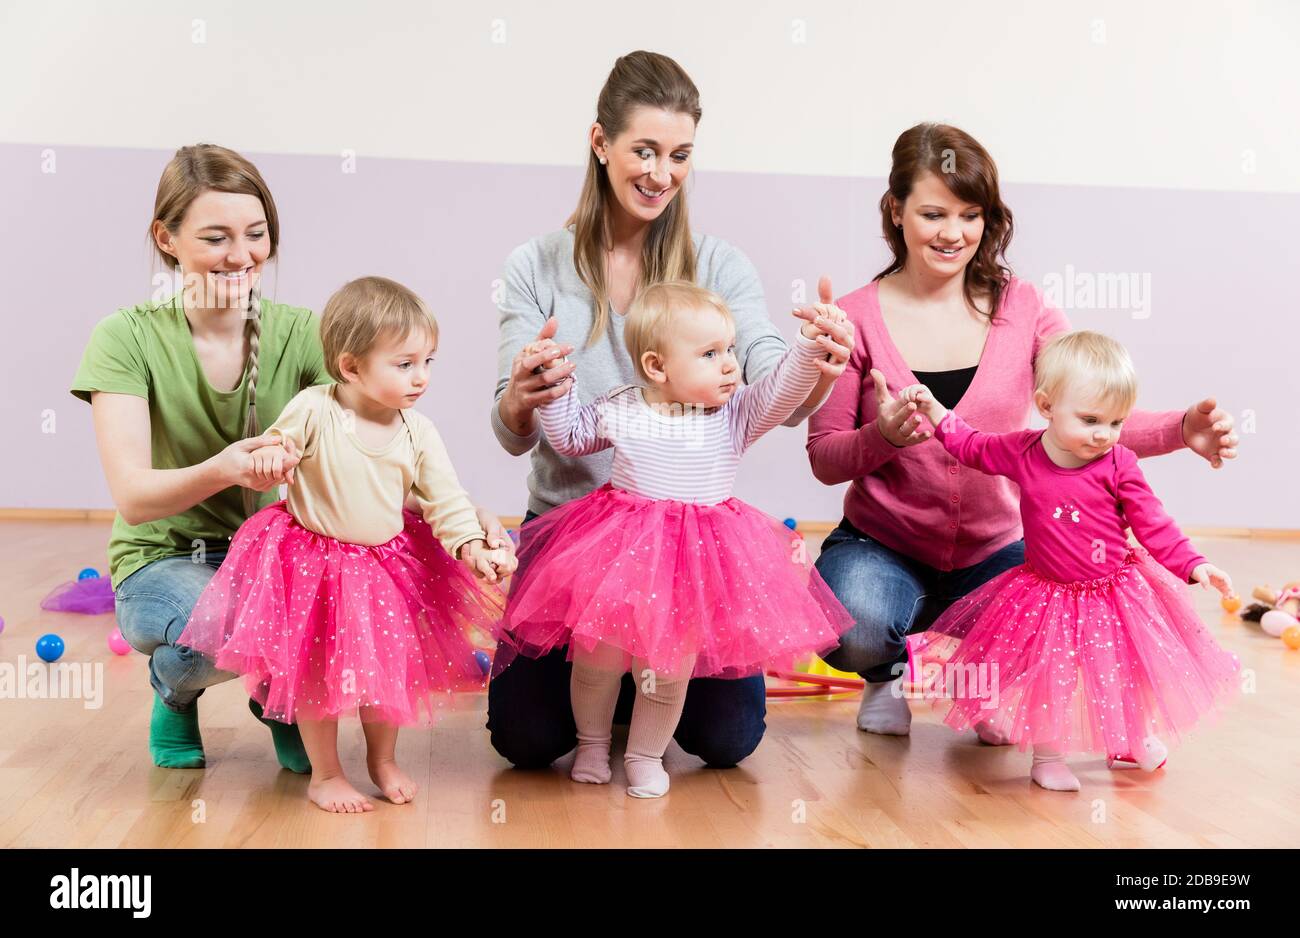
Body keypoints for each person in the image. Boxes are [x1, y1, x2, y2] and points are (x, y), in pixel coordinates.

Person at [900, 331, 1239, 791]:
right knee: (1053, 678)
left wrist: (1194, 564)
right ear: (1046, 405)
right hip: (1048, 592)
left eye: (1116, 422)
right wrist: (935, 412)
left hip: (1114, 589)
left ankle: (1131, 738)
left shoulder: (1119, 463)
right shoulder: (1023, 451)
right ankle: (1049, 757)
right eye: (1090, 419)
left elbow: (1153, 522)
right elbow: (971, 445)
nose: (1104, 434)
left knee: (1126, 670)